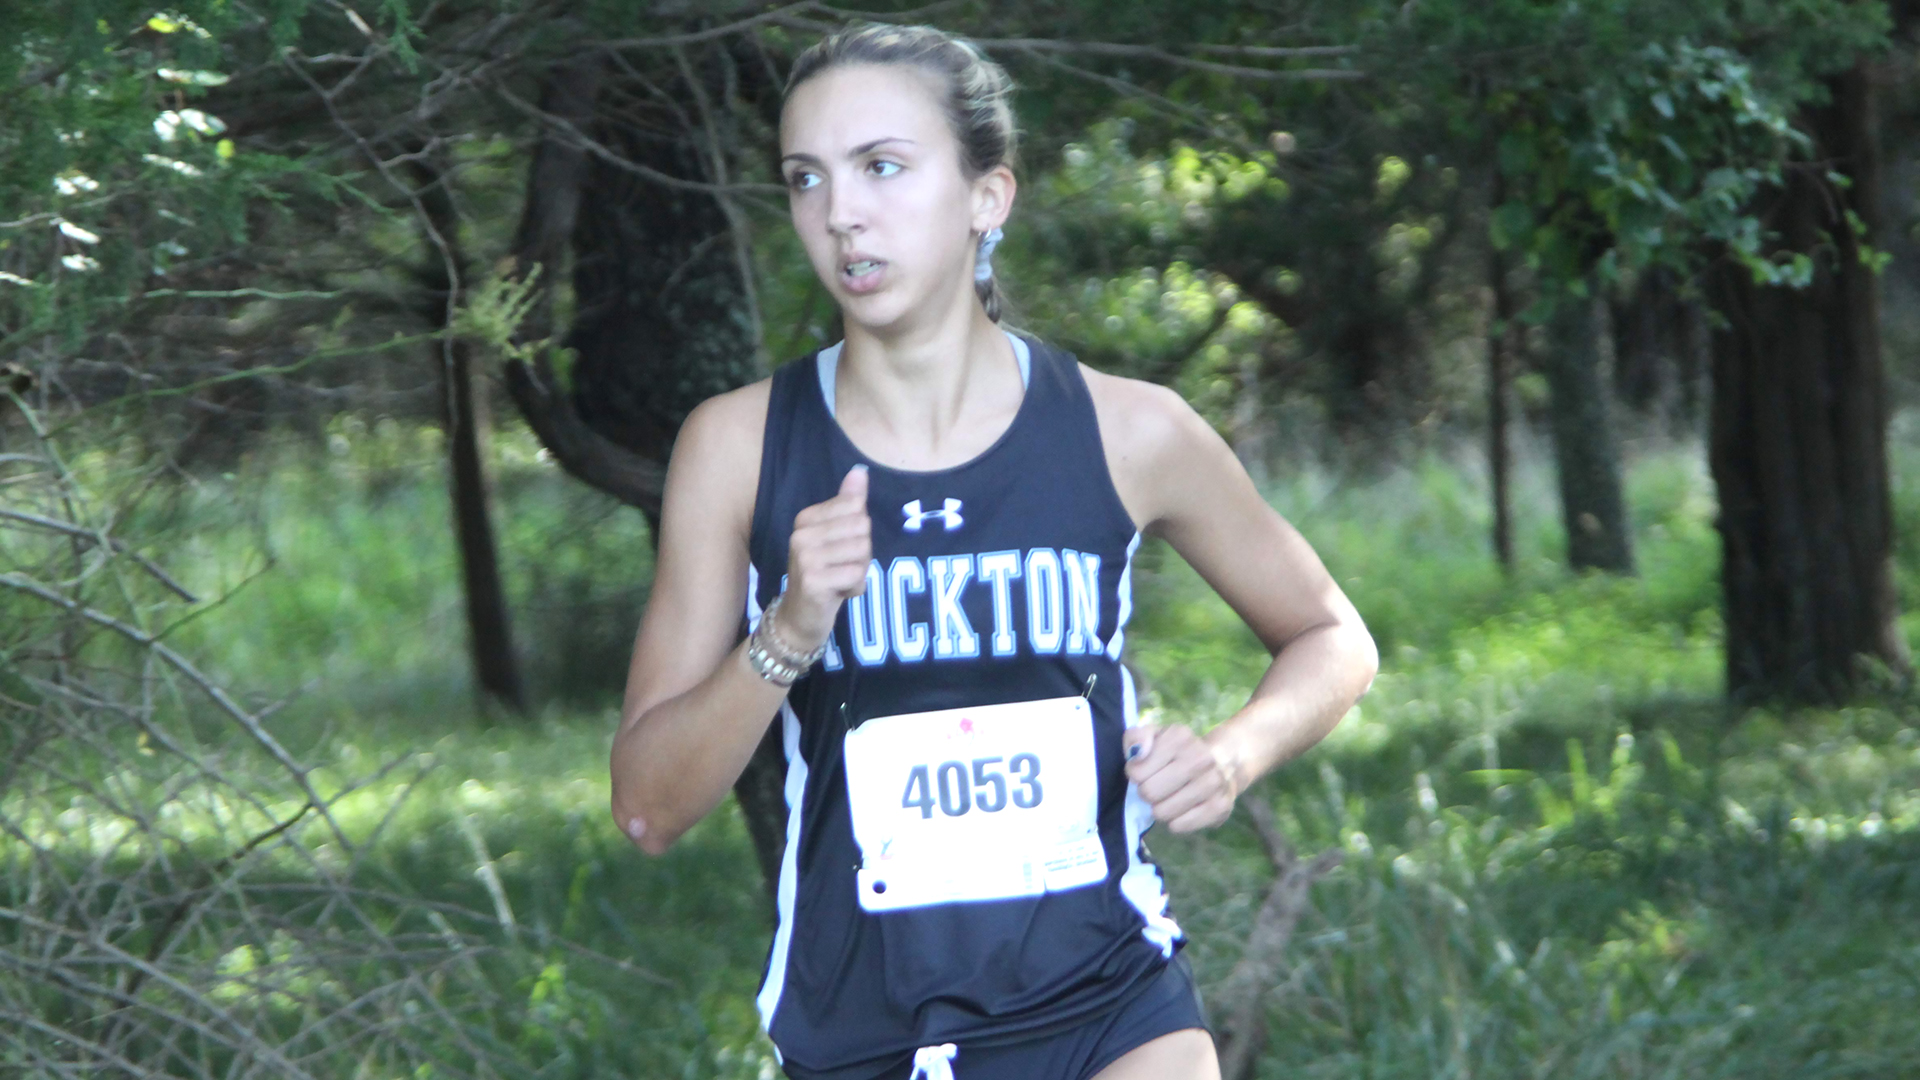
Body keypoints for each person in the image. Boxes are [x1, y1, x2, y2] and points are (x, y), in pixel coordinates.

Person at [609, 23, 1378, 1080]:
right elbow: (648, 809)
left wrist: (1233, 756)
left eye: (883, 167)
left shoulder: (1128, 430)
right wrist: (786, 631)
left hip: (1109, 1005)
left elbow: (1333, 637)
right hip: (860, 1033)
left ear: (988, 196)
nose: (841, 213)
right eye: (806, 179)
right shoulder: (739, 446)